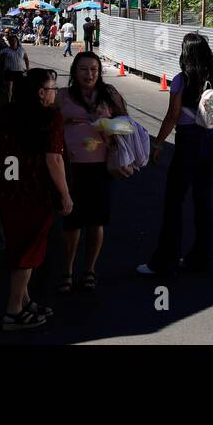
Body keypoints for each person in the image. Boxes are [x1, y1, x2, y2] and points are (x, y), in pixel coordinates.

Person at [139, 33, 213, 275]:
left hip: (188, 141)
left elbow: (172, 115)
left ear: (185, 53)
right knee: (203, 201)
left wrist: (157, 144)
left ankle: (164, 261)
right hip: (210, 141)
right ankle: (200, 259)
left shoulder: (181, 80)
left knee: (174, 201)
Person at [0, 67, 71, 330]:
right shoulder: (51, 118)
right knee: (28, 252)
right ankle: (13, 311)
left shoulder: (6, 112)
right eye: (53, 89)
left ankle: (25, 301)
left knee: (18, 245)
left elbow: (0, 149)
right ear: (41, 93)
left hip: (8, 189)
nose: (56, 94)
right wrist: (65, 194)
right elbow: (54, 159)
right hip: (35, 191)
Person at [58, 52, 127, 293]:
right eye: (84, 69)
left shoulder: (109, 95)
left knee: (97, 221)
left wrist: (106, 124)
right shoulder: (63, 96)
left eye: (94, 70)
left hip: (101, 167)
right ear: (75, 72)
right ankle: (67, 270)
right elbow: (51, 127)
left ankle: (89, 270)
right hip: (70, 168)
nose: (90, 74)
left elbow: (125, 126)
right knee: (72, 221)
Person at [0, 32, 30, 102]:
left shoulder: (21, 50)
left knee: (17, 89)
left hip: (19, 72)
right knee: (9, 89)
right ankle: (8, 103)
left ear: (17, 41)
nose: (13, 42)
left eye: (14, 40)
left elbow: (26, 59)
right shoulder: (5, 51)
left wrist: (27, 68)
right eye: (11, 41)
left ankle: (15, 102)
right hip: (9, 72)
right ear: (9, 42)